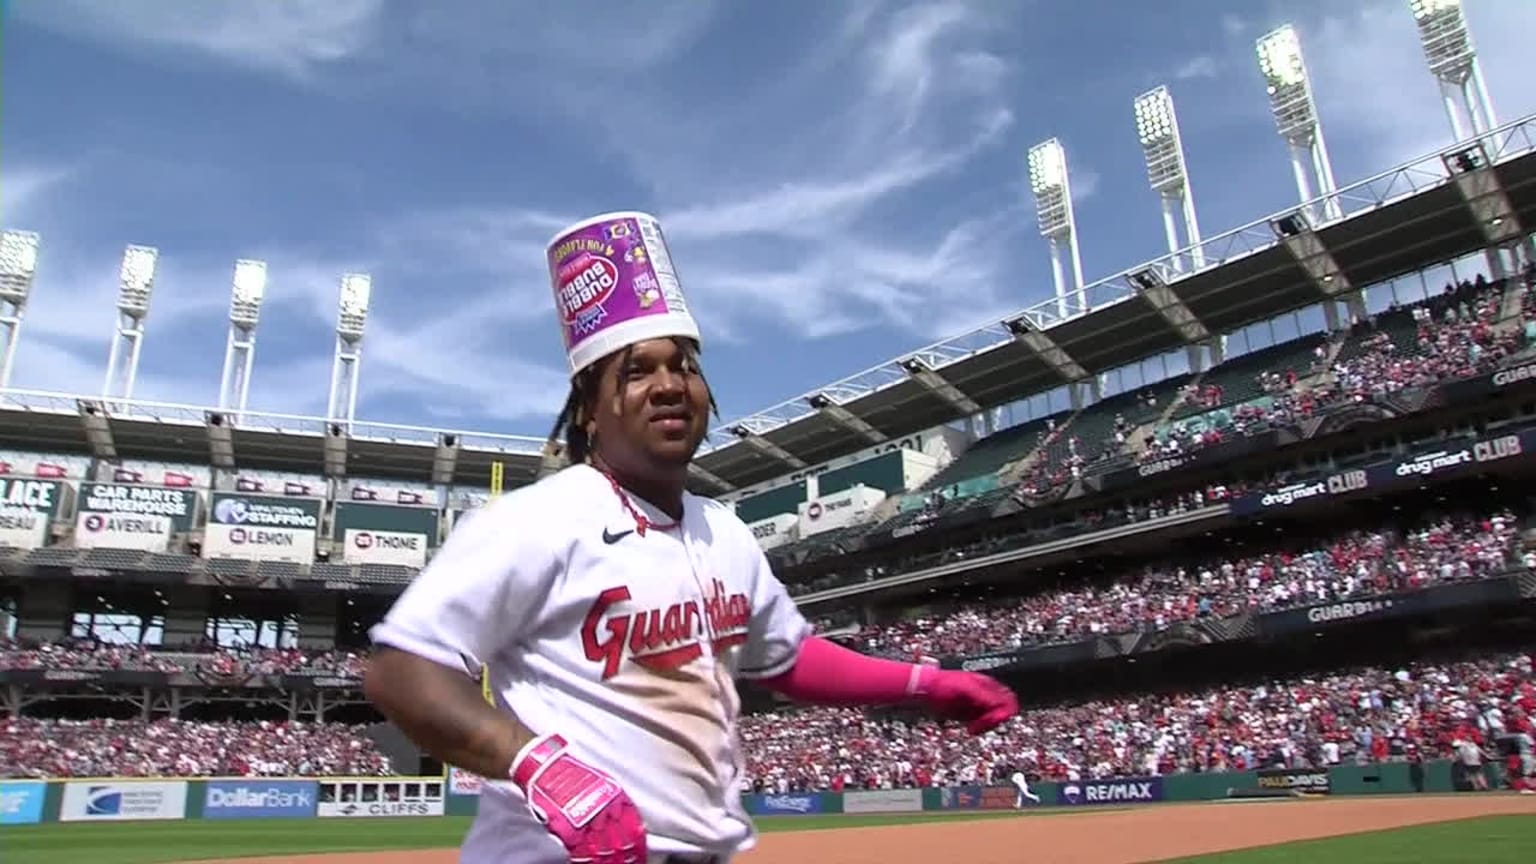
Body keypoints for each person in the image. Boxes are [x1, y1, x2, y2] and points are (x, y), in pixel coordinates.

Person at [363, 212, 1019, 864]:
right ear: (590, 411)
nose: (670, 384)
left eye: (684, 366)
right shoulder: (533, 521)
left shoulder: (725, 531)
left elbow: (788, 660)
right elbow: (403, 671)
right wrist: (539, 765)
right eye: (638, 371)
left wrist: (924, 684)